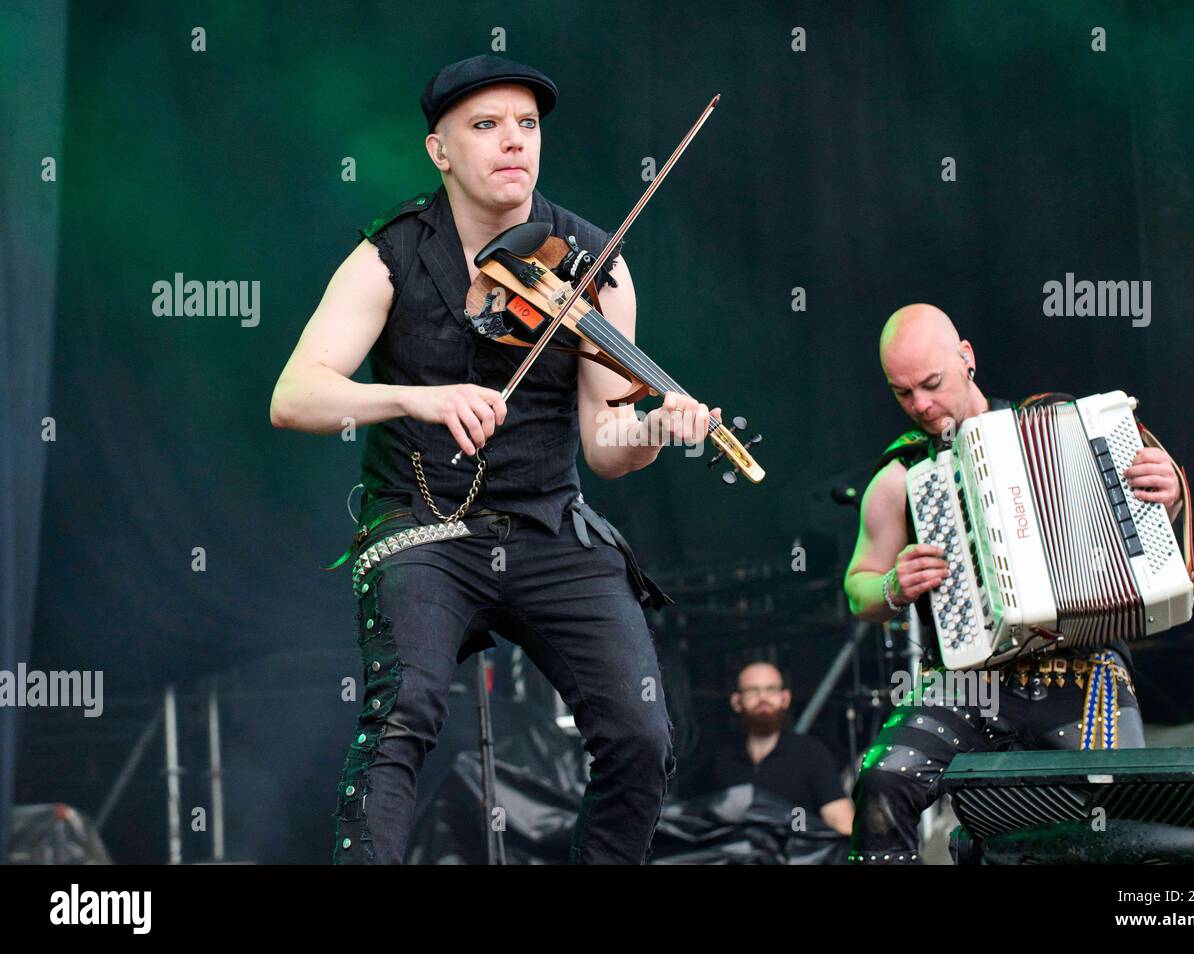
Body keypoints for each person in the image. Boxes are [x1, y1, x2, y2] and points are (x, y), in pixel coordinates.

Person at [270, 54, 719, 864]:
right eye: (486, 127)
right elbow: (296, 394)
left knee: (641, 734)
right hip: (421, 522)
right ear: (440, 150)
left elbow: (605, 448)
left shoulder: (592, 263)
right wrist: (417, 398)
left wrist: (654, 429)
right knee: (402, 711)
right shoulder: (392, 254)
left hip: (549, 524)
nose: (513, 142)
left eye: (527, 126)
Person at [841, 303, 1186, 863]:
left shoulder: (1068, 425)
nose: (921, 406)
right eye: (903, 394)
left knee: (1123, 817)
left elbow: (1144, 518)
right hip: (968, 682)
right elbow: (859, 587)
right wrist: (891, 589)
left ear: (967, 358)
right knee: (883, 780)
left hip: (1081, 666)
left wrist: (1165, 491)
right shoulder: (900, 477)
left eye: (931, 384)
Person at [711, 662, 854, 834]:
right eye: (752, 690)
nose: (763, 698)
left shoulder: (811, 753)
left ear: (785, 698)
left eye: (771, 689)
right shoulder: (719, 758)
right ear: (736, 702)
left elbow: (842, 823)